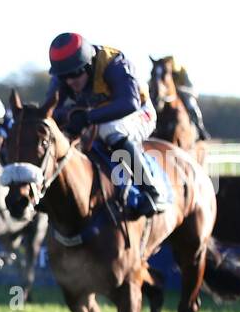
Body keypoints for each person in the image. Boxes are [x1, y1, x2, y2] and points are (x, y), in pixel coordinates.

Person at [46, 32, 166, 219]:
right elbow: (51, 111)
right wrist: (71, 116)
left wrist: (86, 117)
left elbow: (128, 103)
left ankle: (151, 190)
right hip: (99, 115)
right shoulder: (64, 76)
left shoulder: (114, 63)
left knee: (110, 129)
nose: (70, 81)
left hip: (139, 112)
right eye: (64, 77)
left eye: (76, 73)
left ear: (88, 64)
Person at [161, 56, 210, 141]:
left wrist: (180, 89)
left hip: (184, 96)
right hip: (168, 97)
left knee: (191, 105)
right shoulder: (164, 73)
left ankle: (200, 128)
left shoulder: (182, 72)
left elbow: (192, 89)